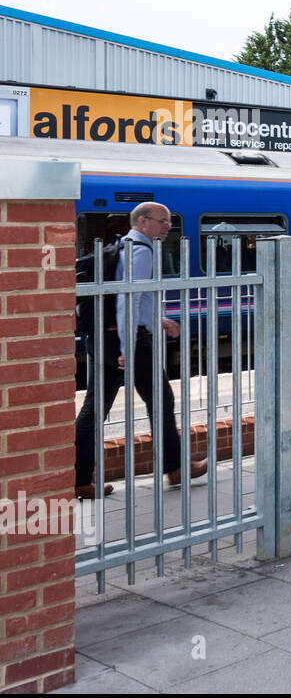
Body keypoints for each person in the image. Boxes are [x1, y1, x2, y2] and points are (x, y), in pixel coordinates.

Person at [73, 202, 207, 499]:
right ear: (144, 221)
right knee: (161, 401)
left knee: (94, 410)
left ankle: (80, 479)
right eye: (164, 221)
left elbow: (130, 299)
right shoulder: (142, 251)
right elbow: (127, 301)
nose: (168, 227)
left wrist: (158, 321)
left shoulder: (122, 246)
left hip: (102, 338)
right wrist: (127, 347)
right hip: (130, 342)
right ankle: (175, 469)